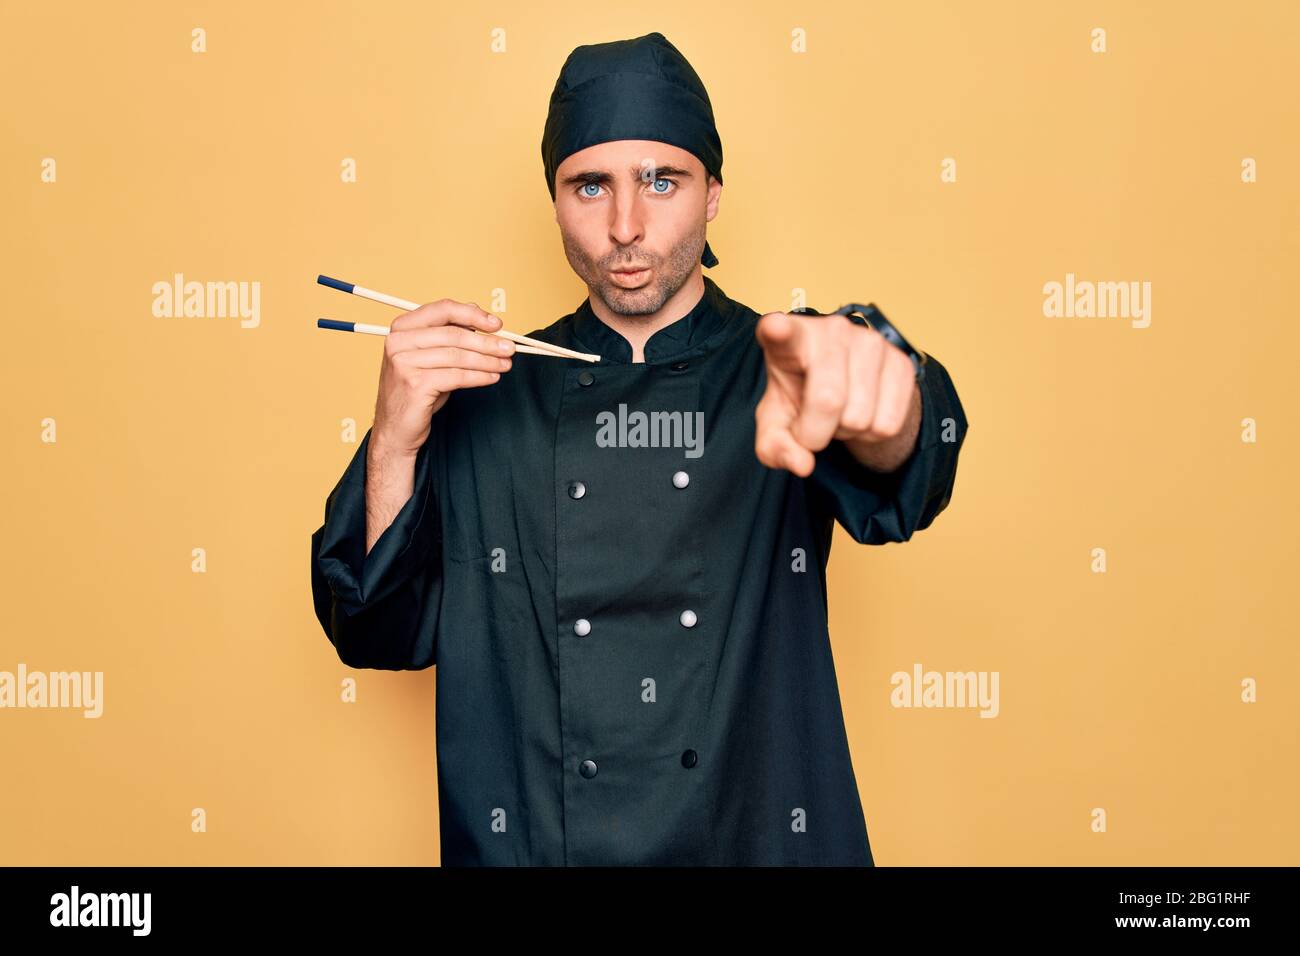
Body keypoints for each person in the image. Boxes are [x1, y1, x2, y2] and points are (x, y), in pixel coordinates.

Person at [310, 31, 969, 866]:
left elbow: (913, 470)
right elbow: (375, 632)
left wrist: (889, 399)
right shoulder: (480, 393)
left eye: (663, 181)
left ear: (714, 193)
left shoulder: (789, 366)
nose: (627, 226)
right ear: (553, 200)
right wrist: (395, 440)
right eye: (592, 186)